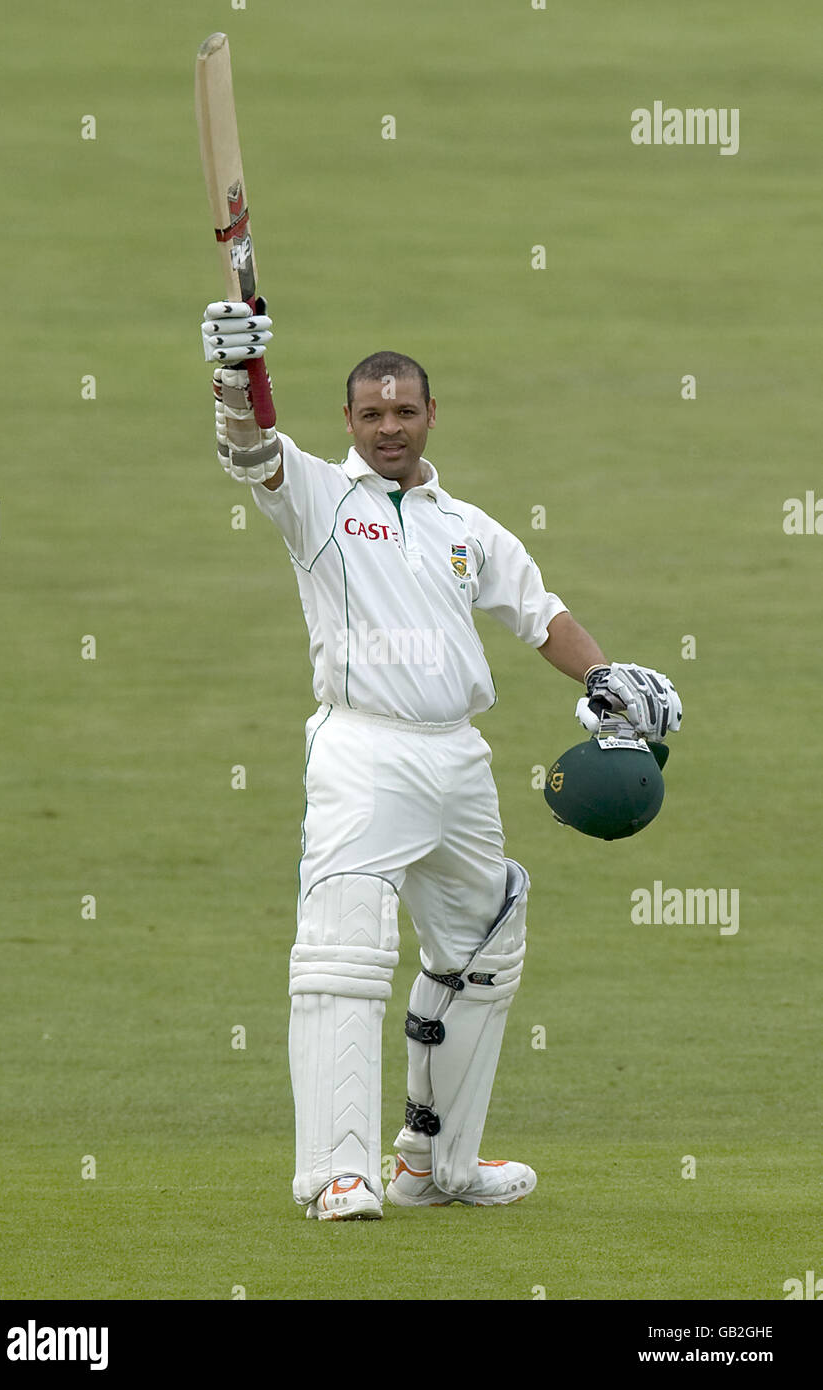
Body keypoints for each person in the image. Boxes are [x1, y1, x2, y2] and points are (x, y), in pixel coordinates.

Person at [200, 301, 682, 1221]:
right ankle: (335, 1174)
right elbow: (250, 451)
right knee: (345, 952)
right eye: (372, 415)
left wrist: (606, 675)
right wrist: (235, 379)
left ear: (430, 415)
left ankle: (435, 1165)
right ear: (348, 422)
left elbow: (538, 614)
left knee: (483, 952)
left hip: (458, 759)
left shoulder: (463, 523)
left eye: (404, 412)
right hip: (363, 749)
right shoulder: (317, 497)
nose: (389, 428)